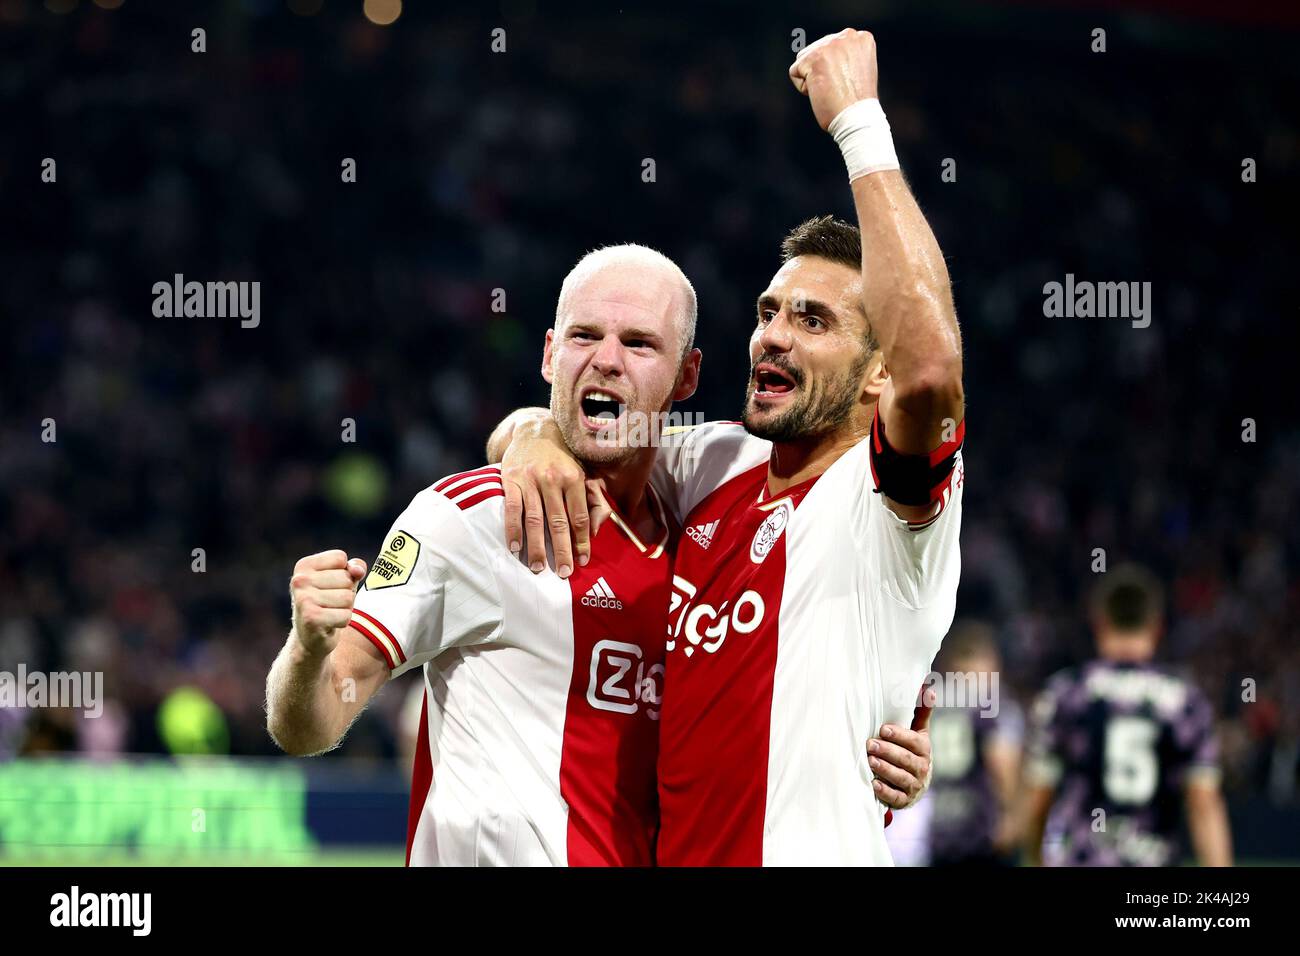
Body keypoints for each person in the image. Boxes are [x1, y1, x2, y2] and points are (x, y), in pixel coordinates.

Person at [265, 244, 928, 866]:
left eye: (639, 344)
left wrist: (883, 737)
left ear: (686, 376)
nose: (606, 360)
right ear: (551, 355)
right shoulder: (471, 520)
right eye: (584, 337)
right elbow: (309, 724)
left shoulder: (703, 525)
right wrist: (307, 650)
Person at [492, 27, 964, 864]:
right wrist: (532, 436)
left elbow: (930, 371)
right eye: (768, 312)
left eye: (812, 321)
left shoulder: (889, 504)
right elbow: (588, 423)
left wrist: (859, 121)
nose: (772, 338)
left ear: (874, 378)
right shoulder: (714, 463)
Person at [1022, 564, 1233, 866]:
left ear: (1099, 623)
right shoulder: (1186, 701)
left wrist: (1033, 858)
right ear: (1157, 627)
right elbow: (1204, 803)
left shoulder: (1065, 694)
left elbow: (1038, 797)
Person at [924, 621, 1023, 866]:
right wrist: (1011, 814)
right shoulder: (991, 703)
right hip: (984, 830)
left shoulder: (934, 704)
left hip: (941, 827)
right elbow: (1000, 759)